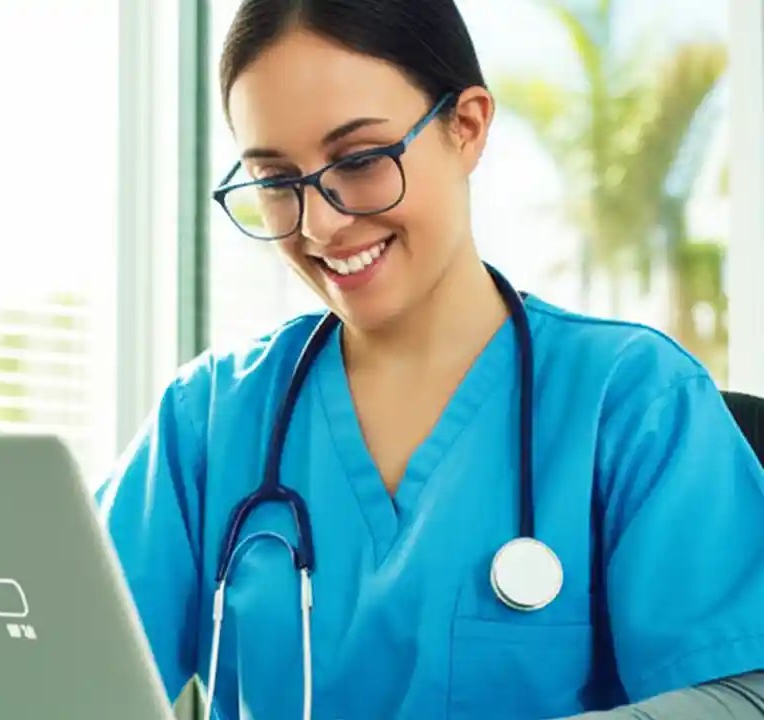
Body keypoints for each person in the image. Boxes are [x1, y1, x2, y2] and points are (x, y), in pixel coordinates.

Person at [94, 1, 764, 718]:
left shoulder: (631, 400)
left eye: (359, 161)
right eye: (276, 181)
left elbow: (741, 695)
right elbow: (65, 674)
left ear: (467, 126)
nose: (321, 223)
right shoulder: (207, 420)